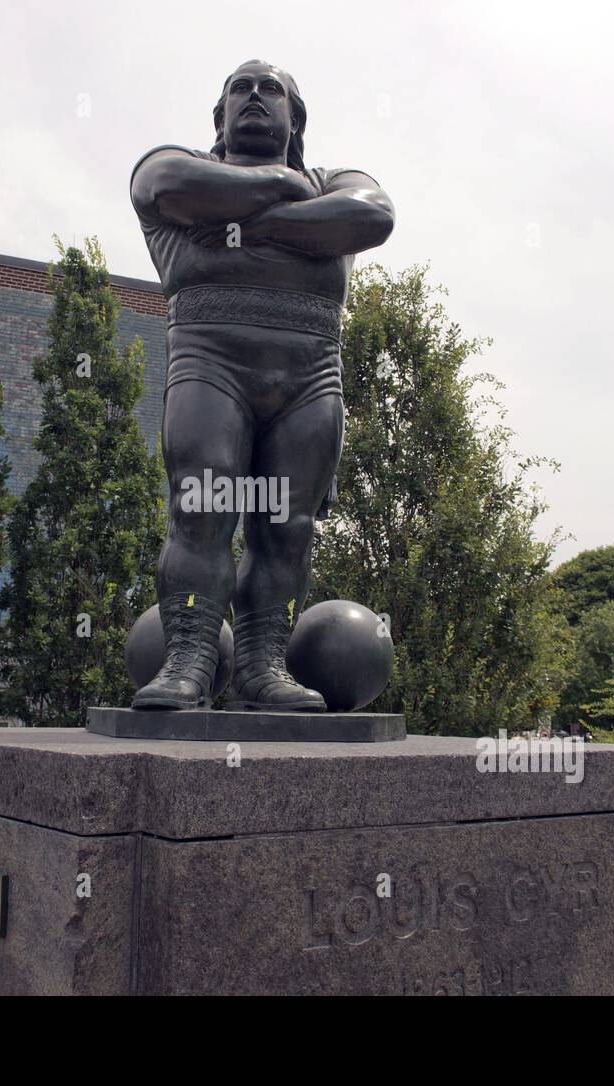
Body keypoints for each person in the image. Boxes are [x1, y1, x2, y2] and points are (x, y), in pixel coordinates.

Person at [129, 59, 395, 711]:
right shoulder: (172, 162)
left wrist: (244, 220)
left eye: (269, 89)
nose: (253, 97)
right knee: (201, 513)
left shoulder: (339, 180)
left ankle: (262, 664)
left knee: (288, 526)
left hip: (309, 377)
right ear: (218, 117)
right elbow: (167, 185)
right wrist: (294, 202)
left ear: (294, 118)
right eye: (238, 90)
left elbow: (372, 215)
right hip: (209, 363)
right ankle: (188, 657)